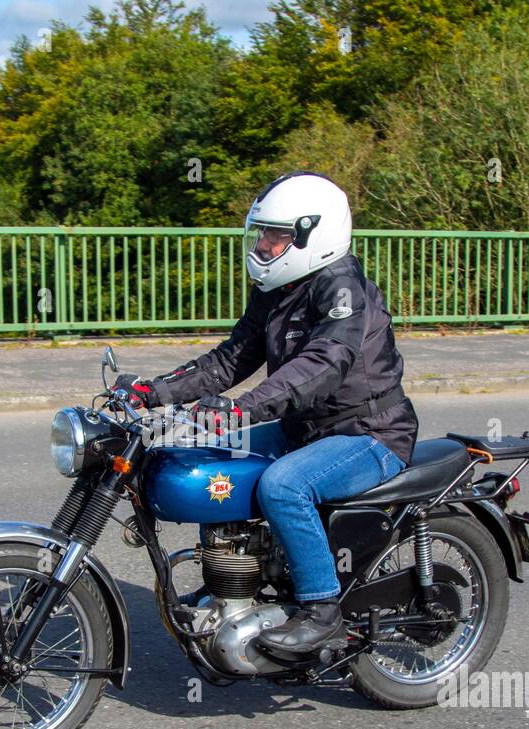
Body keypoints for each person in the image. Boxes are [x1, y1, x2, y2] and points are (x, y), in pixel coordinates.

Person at [115, 171, 419, 654]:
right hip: (307, 428)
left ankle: (322, 610)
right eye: (261, 233)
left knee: (285, 485)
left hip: (370, 433)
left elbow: (323, 365)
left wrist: (240, 409)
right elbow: (231, 358)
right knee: (208, 462)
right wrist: (151, 391)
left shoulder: (341, 287)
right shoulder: (278, 289)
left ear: (311, 235)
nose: (263, 244)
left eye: (276, 235)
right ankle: (230, 583)